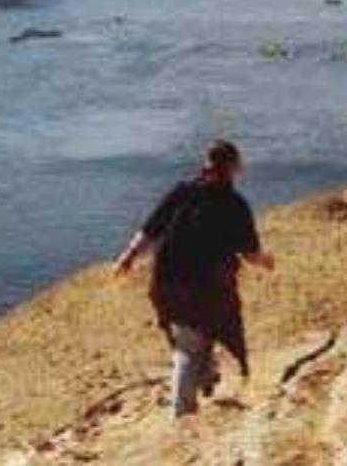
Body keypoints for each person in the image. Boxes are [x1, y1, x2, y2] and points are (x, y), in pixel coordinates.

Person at [113, 139, 275, 418]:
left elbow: (151, 229)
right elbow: (249, 253)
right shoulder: (235, 204)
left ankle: (206, 377)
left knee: (197, 335)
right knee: (190, 345)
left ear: (206, 163)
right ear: (235, 167)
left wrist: (128, 257)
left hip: (167, 281)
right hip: (206, 286)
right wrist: (266, 262)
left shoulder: (182, 191)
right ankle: (182, 412)